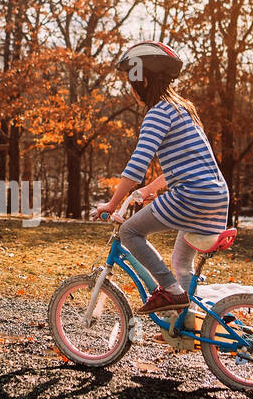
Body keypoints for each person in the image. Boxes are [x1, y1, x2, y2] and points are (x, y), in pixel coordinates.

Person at [95, 41, 230, 315]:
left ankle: (169, 290)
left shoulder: (157, 114)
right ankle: (183, 323)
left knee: (130, 232)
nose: (130, 89)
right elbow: (186, 164)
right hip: (215, 196)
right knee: (181, 262)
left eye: (130, 80)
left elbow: (137, 165)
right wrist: (149, 189)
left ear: (142, 79)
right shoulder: (183, 110)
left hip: (191, 195)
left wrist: (112, 203)